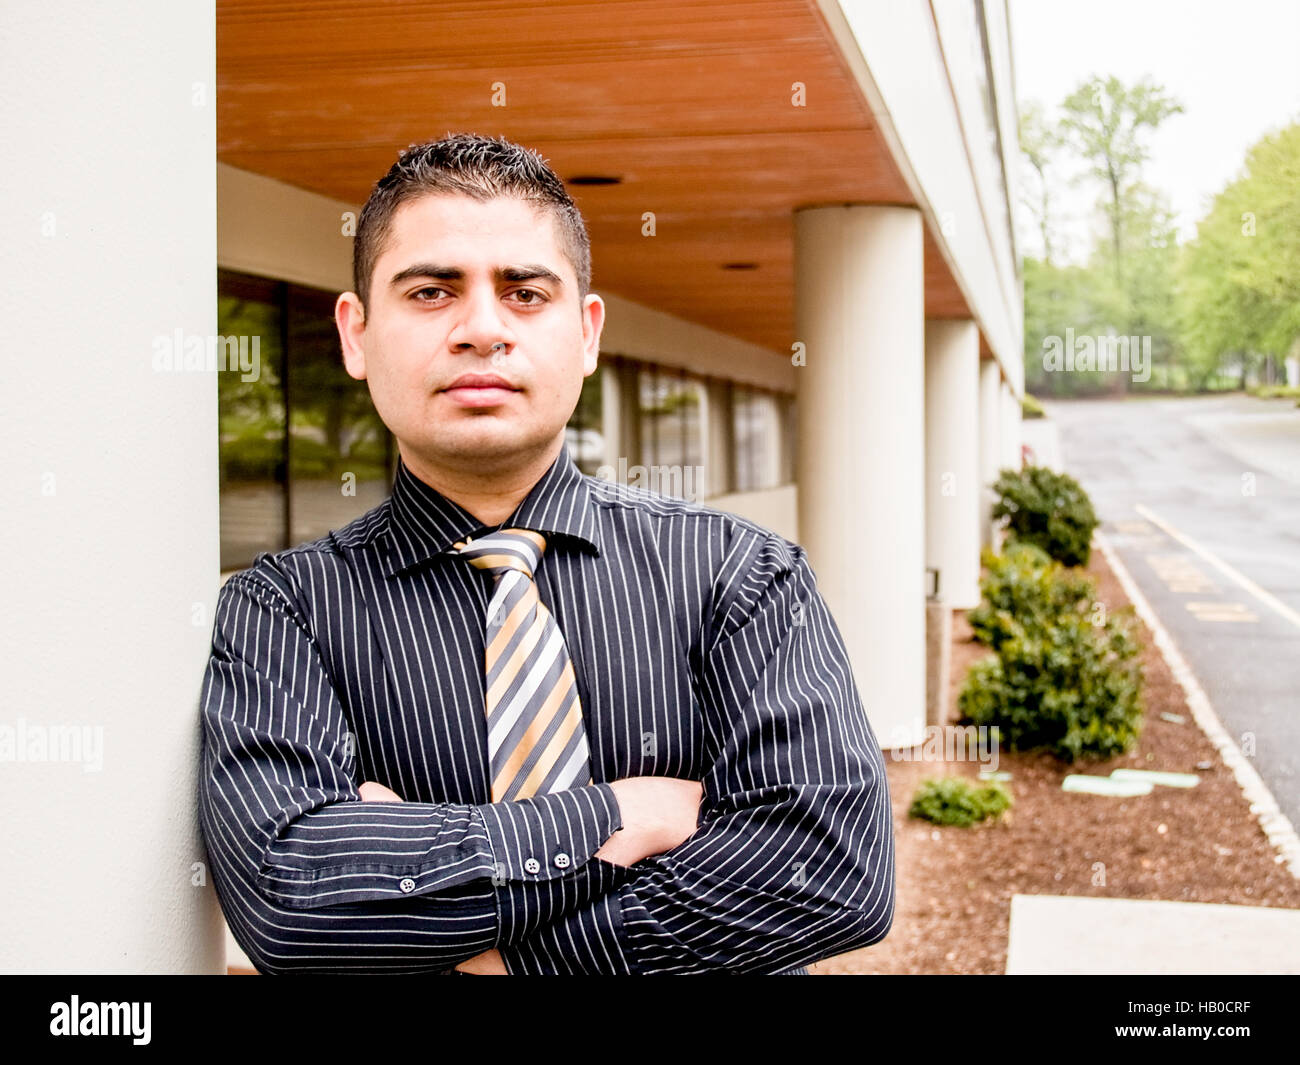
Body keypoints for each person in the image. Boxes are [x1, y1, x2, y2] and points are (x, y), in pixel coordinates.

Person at [197, 132, 895, 975]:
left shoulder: (741, 575)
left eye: (526, 292)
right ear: (356, 334)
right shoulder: (283, 609)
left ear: (588, 332)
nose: (482, 329)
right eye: (430, 291)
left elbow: (830, 870)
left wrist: (500, 950)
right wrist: (621, 814)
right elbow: (293, 901)